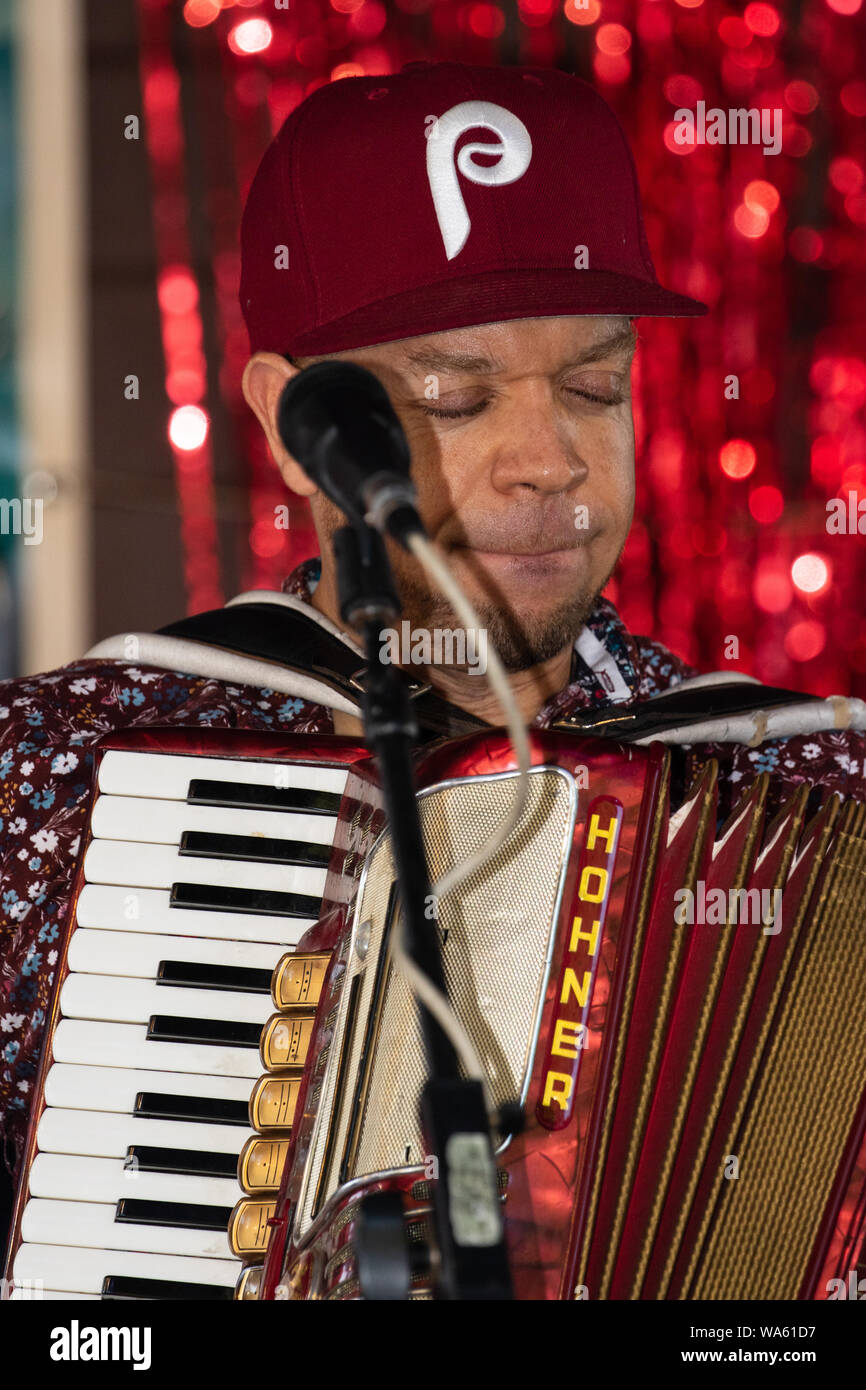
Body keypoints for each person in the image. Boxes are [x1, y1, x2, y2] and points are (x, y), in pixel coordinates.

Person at [1, 60, 863, 1238]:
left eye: (593, 385)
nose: (547, 458)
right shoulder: (58, 769)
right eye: (455, 399)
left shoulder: (803, 788)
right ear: (292, 426)